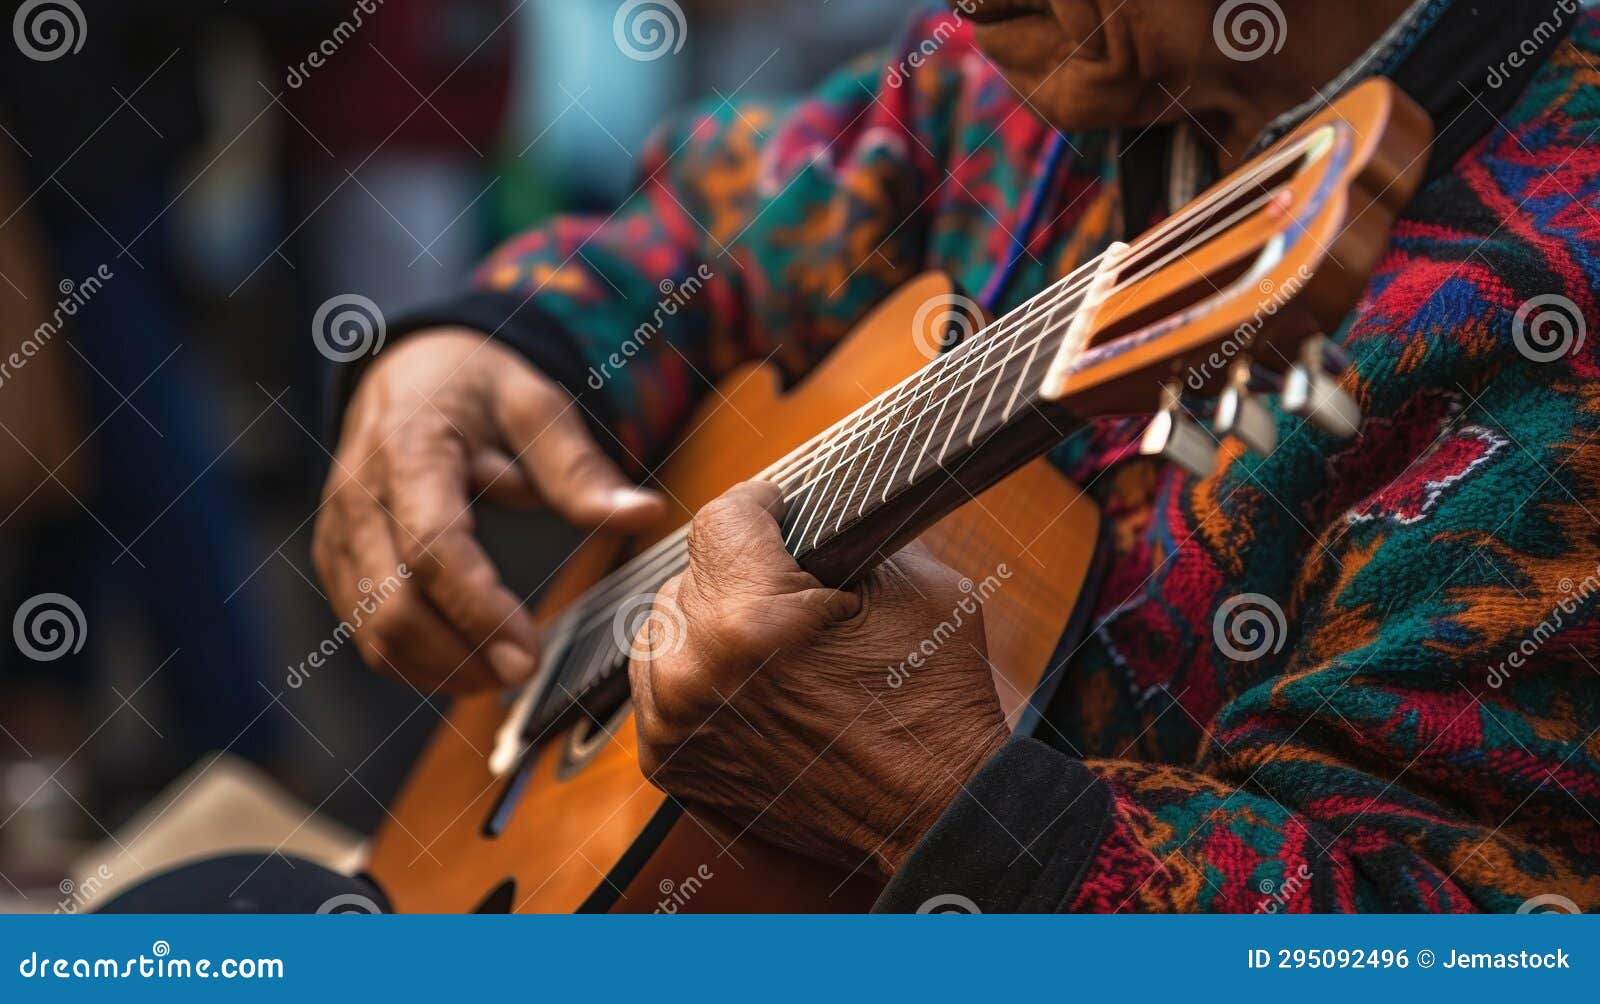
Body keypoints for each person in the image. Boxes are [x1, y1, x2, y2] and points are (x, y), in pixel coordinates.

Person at [137, 0, 1600, 912]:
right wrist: (482, 347)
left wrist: (967, 817)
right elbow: (723, 213)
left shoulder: (1553, 310)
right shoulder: (1015, 65)